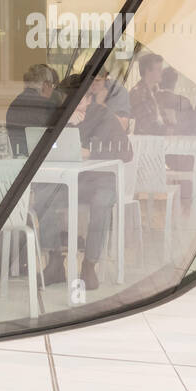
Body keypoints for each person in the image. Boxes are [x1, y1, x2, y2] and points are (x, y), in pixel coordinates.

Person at [38, 73, 132, 291]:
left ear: (89, 97)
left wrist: (91, 152)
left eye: (82, 98)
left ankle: (89, 265)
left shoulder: (104, 115)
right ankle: (54, 262)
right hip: (69, 183)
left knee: (101, 203)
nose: (80, 103)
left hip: (101, 182)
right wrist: (66, 127)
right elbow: (44, 147)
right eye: (69, 100)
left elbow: (126, 152)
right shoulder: (59, 117)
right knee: (43, 197)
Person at [5, 64, 60, 157]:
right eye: (52, 86)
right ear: (46, 85)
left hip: (18, 158)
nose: (52, 91)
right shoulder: (46, 106)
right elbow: (54, 142)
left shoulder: (14, 104)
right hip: (39, 161)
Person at [129, 52, 168, 134]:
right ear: (148, 71)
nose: (162, 72)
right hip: (144, 143)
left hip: (158, 141)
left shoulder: (157, 93)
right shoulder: (137, 94)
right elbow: (146, 125)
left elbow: (165, 119)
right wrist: (169, 130)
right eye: (159, 69)